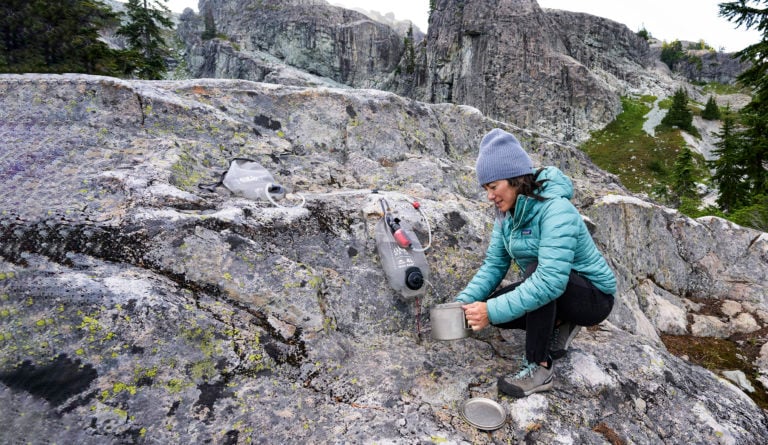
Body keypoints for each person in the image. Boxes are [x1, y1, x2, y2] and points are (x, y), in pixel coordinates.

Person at [456, 128, 616, 398]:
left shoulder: (556, 209)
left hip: (593, 296)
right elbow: (494, 265)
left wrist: (491, 310)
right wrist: (463, 303)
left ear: (516, 179)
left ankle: (539, 368)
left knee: (531, 279)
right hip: (555, 285)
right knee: (500, 313)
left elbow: (550, 281)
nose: (490, 196)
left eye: (494, 187)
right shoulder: (507, 215)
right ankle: (560, 322)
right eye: (486, 189)